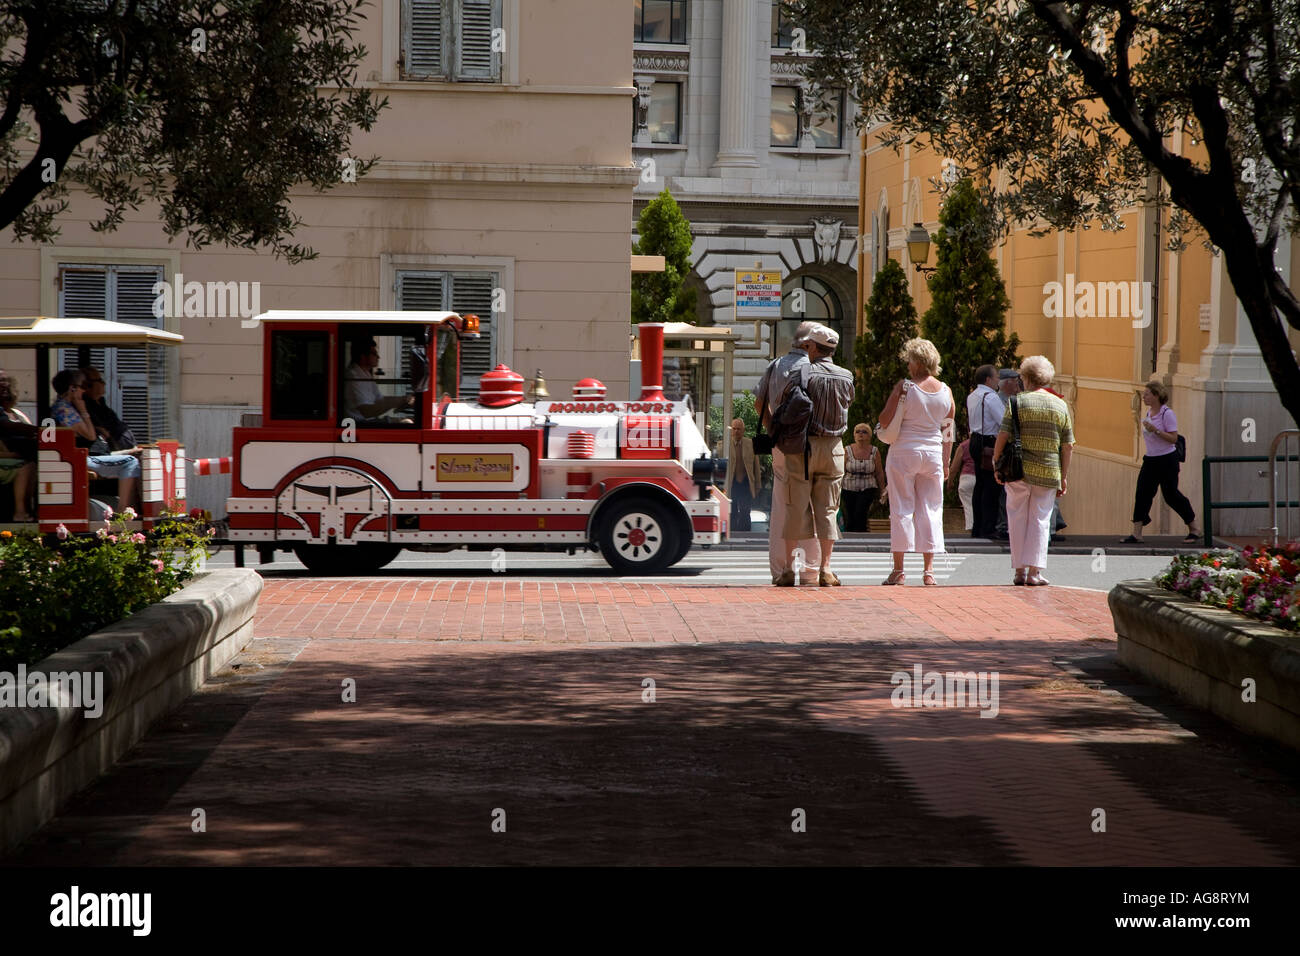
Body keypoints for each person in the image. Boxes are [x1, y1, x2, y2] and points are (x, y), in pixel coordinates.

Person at [779, 325, 854, 586]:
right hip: (834, 447)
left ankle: (789, 569)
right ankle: (826, 569)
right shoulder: (847, 376)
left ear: (812, 347)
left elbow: (785, 404)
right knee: (828, 510)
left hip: (803, 447)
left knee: (795, 508)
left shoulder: (801, 372)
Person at [878, 338, 954, 586]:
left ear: (917, 361)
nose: (907, 364)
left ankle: (899, 570)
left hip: (904, 451)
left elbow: (885, 418)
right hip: (933, 453)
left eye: (909, 359)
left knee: (901, 509)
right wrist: (946, 461)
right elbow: (948, 429)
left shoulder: (906, 386)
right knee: (931, 509)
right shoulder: (946, 390)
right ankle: (929, 571)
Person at [992, 356, 1073, 586]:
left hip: (1018, 470)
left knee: (1016, 517)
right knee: (1040, 520)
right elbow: (1067, 445)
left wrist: (997, 462)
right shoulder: (1060, 404)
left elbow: (1003, 435)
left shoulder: (1017, 402)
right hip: (1048, 471)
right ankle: (1034, 572)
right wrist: (1064, 476)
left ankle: (1018, 571)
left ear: (1025, 378)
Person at [755, 321, 821, 586]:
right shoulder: (812, 367)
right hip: (808, 445)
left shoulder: (775, 365)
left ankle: (781, 569)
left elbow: (760, 401)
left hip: (781, 445)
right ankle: (808, 570)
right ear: (809, 345)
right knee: (810, 507)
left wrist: (775, 431)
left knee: (781, 506)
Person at [1121, 380, 1199, 544]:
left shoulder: (1167, 414)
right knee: (1142, 493)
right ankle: (1137, 533)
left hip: (1167, 460)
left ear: (1156, 396)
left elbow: (1173, 438)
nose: (1144, 397)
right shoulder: (1149, 413)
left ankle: (1194, 528)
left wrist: (1155, 430)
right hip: (1150, 459)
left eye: (1147, 394)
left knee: (1171, 495)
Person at [50, 369, 141, 510]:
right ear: (72, 388)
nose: (84, 391)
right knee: (131, 462)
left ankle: (133, 507)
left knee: (135, 455)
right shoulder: (65, 410)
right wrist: (83, 409)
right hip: (79, 458)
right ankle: (124, 511)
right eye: (82, 387)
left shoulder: (64, 407)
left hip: (87, 456)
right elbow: (90, 435)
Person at [966, 364, 1002, 538]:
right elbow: (1003, 421)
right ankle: (988, 527)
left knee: (980, 484)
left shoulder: (973, 395)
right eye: (996, 378)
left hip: (975, 440)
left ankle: (977, 526)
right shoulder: (991, 396)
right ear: (988, 379)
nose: (998, 382)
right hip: (989, 443)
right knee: (991, 487)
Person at [343, 339, 413, 422]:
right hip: (359, 425)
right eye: (374, 354)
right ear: (363, 356)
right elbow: (366, 411)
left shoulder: (366, 374)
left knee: (408, 421)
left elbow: (380, 400)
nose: (378, 357)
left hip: (370, 421)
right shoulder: (353, 376)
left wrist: (405, 399)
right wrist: (401, 400)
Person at [0, 371, 37, 521]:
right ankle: (20, 511)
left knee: (38, 464)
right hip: (8, 456)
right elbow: (8, 427)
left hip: (22, 454)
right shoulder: (2, 418)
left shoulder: (17, 414)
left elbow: (27, 430)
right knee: (26, 467)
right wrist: (39, 430)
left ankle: (32, 509)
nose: (4, 387)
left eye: (5, 383)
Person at [991, 368, 1021, 540]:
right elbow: (1004, 430)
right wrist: (996, 458)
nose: (1017, 384)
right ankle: (1003, 525)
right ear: (1007, 382)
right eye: (1015, 381)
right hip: (1006, 449)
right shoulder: (1000, 401)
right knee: (1006, 489)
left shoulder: (1012, 400)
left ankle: (1005, 525)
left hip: (1009, 448)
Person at [841, 423, 886, 532]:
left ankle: (862, 535)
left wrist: (882, 490)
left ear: (869, 436)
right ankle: (850, 540)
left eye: (864, 432)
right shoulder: (847, 450)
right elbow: (841, 471)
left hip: (868, 486)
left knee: (860, 512)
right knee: (850, 515)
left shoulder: (874, 451)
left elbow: (879, 472)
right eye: (858, 432)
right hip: (849, 486)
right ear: (854, 435)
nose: (861, 434)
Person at [79, 366, 137, 450]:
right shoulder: (86, 406)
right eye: (100, 380)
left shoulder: (100, 402)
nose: (104, 383)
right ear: (87, 385)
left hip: (126, 446)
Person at [720, 417, 758, 532]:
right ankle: (732, 534)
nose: (736, 431)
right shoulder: (724, 445)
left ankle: (745, 533)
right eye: (734, 428)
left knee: (745, 511)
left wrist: (758, 484)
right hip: (731, 483)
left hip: (745, 482)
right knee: (732, 510)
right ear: (731, 430)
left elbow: (756, 465)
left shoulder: (751, 444)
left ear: (743, 430)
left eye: (739, 429)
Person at [947, 431, 976, 532]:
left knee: (968, 505)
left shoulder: (964, 445)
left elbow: (954, 468)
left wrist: (950, 482)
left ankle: (971, 527)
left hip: (967, 478)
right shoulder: (987, 443)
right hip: (982, 478)